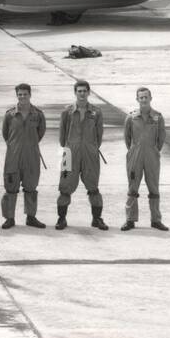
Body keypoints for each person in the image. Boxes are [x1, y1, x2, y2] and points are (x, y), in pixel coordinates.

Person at [57, 80, 107, 230]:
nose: (82, 94)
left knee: (93, 186)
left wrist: (91, 147)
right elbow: (62, 135)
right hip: (68, 153)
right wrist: (69, 147)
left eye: (85, 91)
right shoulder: (67, 111)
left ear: (89, 92)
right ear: (75, 92)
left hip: (90, 153)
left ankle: (97, 219)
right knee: (65, 187)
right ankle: (61, 219)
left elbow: (99, 134)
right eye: (79, 91)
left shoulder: (96, 112)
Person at [2, 83, 47, 229]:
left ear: (30, 95)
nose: (22, 97)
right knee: (11, 188)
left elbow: (40, 133)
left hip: (31, 156)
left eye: (25, 94)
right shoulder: (10, 114)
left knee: (31, 187)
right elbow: (5, 134)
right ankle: (9, 218)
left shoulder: (38, 115)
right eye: (19, 94)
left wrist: (29, 145)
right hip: (13, 156)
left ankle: (31, 217)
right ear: (17, 96)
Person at [122, 87, 167, 231]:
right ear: (137, 100)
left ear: (150, 98)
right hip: (135, 155)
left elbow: (161, 137)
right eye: (141, 97)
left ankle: (156, 220)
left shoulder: (158, 117)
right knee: (132, 187)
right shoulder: (131, 117)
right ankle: (130, 220)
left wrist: (154, 150)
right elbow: (127, 138)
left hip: (152, 156)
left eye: (146, 97)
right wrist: (134, 150)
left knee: (154, 187)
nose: (143, 99)